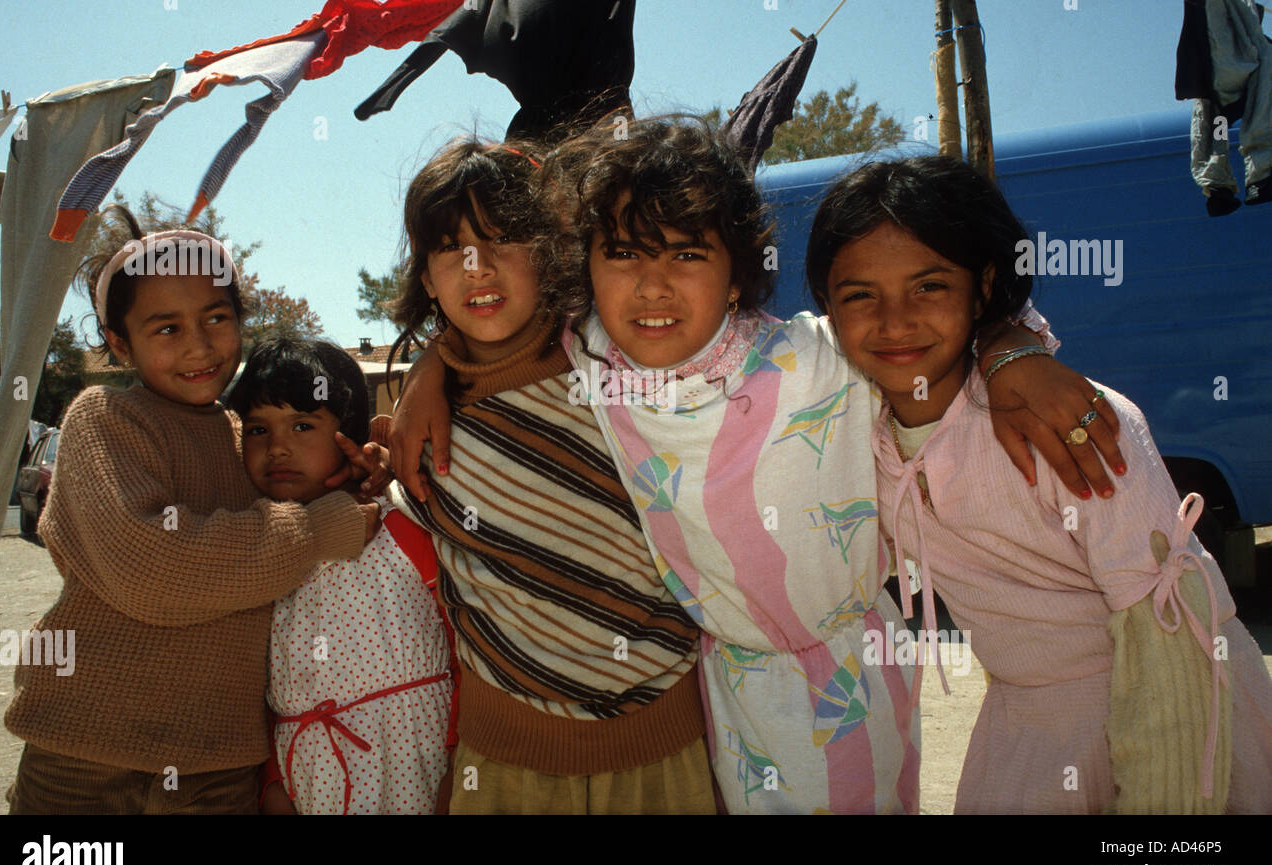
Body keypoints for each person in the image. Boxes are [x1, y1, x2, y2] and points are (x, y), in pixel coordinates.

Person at [396, 115, 1126, 813]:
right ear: (586, 267)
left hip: (848, 675)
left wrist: (1010, 345)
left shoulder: (817, 360)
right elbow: (486, 316)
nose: (652, 285)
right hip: (720, 687)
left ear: (739, 273)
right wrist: (429, 366)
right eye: (623, 253)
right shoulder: (592, 351)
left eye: (687, 253)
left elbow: (917, 328)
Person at [815, 154, 1272, 813]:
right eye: (860, 294)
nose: (895, 319)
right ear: (827, 308)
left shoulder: (1072, 425)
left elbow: (1166, 637)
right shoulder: (856, 438)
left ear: (984, 285)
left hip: (1174, 712)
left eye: (930, 287)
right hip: (1026, 727)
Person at [3, 208, 378, 814]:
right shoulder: (106, 421)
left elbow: (327, 499)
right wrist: (317, 529)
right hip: (85, 758)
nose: (200, 346)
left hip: (218, 768)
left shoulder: (249, 438)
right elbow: (152, 570)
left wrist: (360, 475)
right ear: (120, 342)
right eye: (167, 329)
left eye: (215, 318)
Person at [384, 138, 715, 814]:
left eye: (505, 239)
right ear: (426, 278)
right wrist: (432, 366)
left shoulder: (612, 360)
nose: (479, 268)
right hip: (506, 758)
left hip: (664, 742)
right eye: (452, 249)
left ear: (550, 250)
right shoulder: (423, 424)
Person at [230, 336, 455, 815]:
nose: (277, 448)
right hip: (307, 782)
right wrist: (271, 781)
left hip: (417, 765)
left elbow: (466, 652)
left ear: (349, 435)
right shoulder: (255, 547)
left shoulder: (404, 523)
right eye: (257, 430)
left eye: (303, 425)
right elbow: (255, 686)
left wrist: (457, 764)